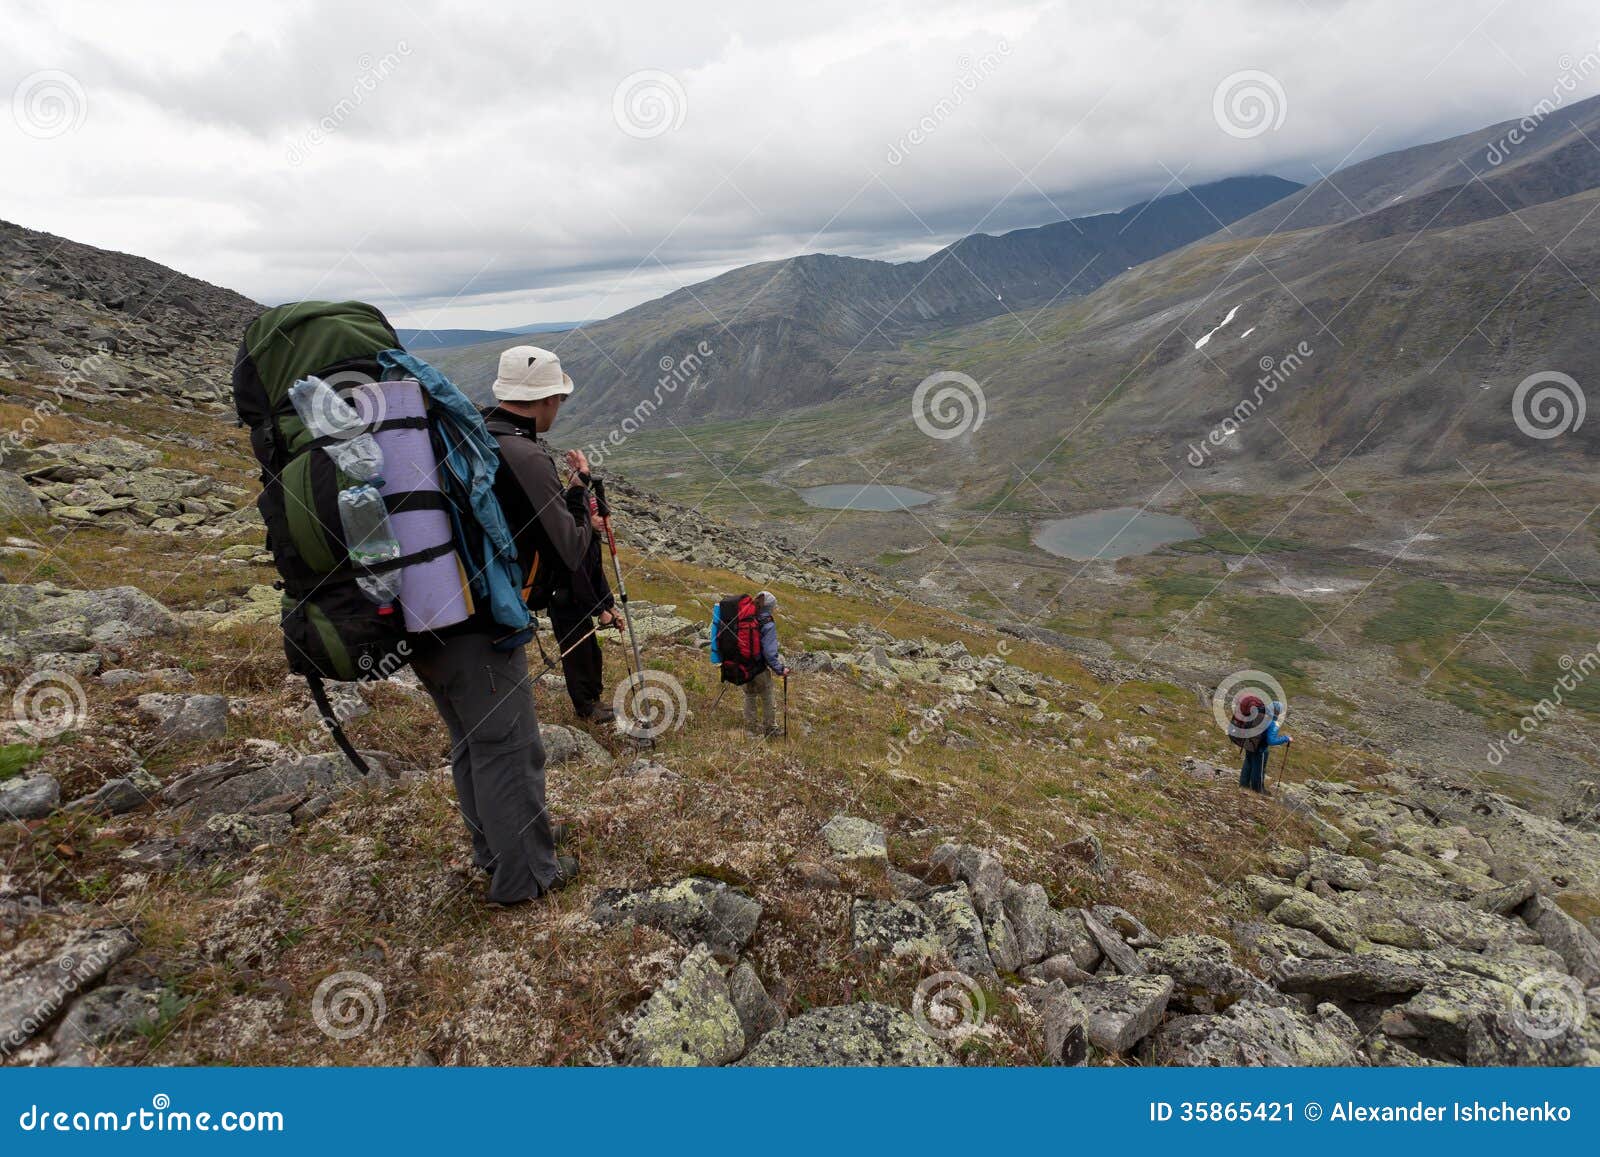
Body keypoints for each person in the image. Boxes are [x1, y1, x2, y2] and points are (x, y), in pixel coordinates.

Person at [481, 345, 614, 725]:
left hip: (483, 579)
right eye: (559, 398)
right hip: (515, 584)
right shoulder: (525, 454)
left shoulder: (483, 434)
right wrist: (580, 495)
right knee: (572, 596)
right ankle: (588, 703)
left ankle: (587, 700)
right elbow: (570, 548)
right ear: (548, 398)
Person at [744, 591, 790, 736]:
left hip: (743, 664)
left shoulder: (746, 617)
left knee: (749, 694)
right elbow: (769, 654)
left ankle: (750, 728)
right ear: (770, 607)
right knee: (767, 694)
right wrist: (780, 669)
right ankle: (770, 728)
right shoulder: (767, 623)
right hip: (759, 667)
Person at [1239, 700, 1290, 794]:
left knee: (1248, 763)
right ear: (1277, 712)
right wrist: (1286, 738)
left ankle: (1243, 784)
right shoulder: (1272, 723)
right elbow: (1271, 741)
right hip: (1260, 749)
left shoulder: (1259, 714)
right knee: (1259, 769)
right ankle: (1258, 789)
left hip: (1249, 744)